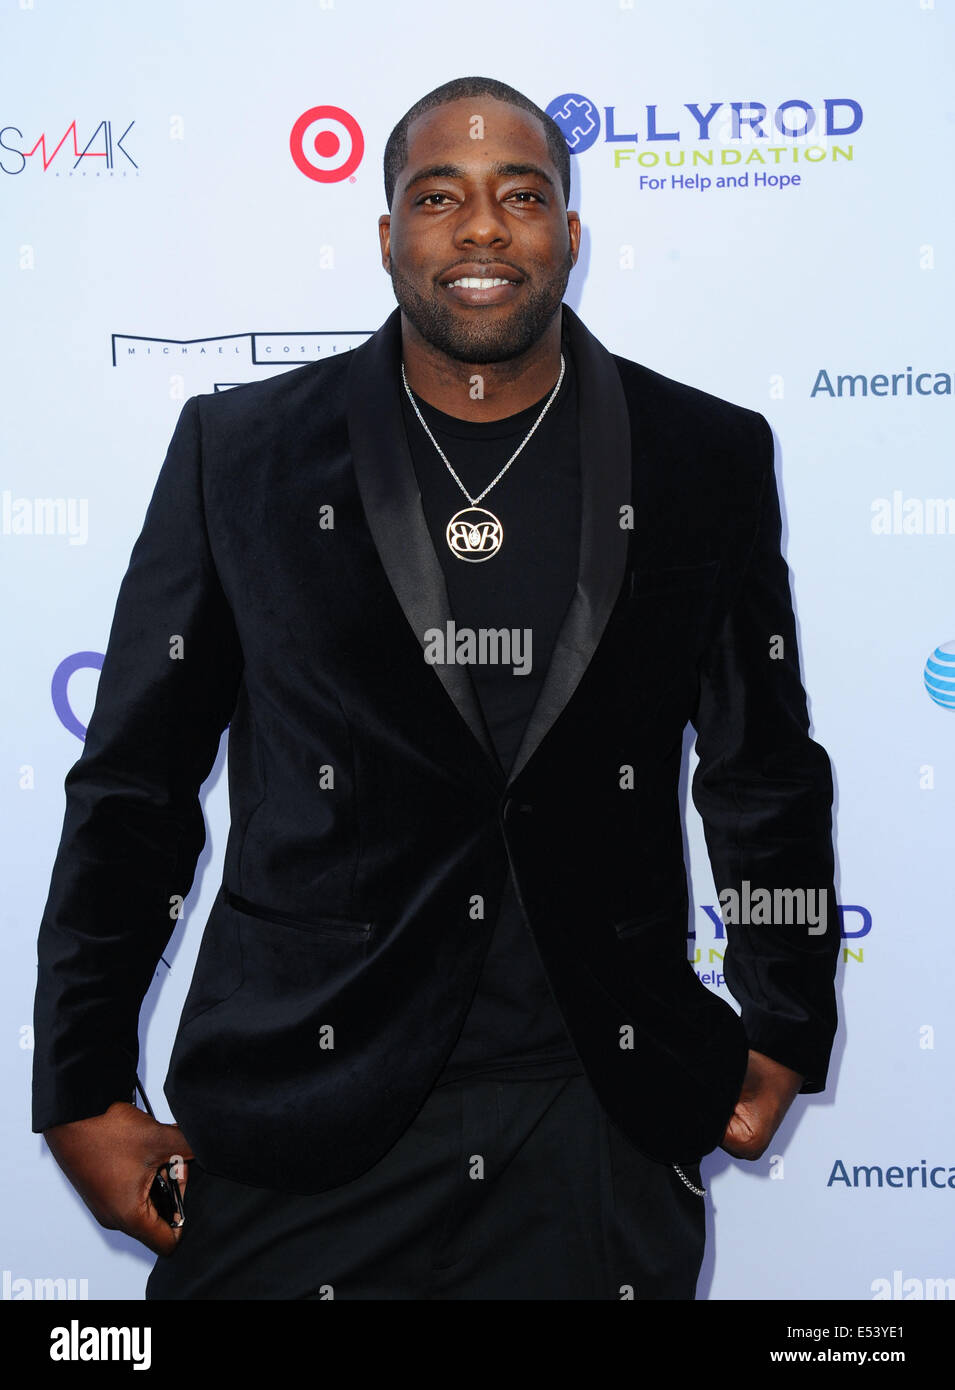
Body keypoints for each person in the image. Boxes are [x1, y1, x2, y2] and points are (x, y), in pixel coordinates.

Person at [32, 76, 839, 1301]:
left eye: (522, 195)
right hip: (304, 1113)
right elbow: (134, 786)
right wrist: (81, 1085)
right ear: (386, 237)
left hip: (595, 1121)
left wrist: (785, 1018)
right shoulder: (238, 453)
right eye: (437, 197)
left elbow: (761, 771)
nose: (480, 228)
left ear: (570, 234)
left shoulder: (702, 454)